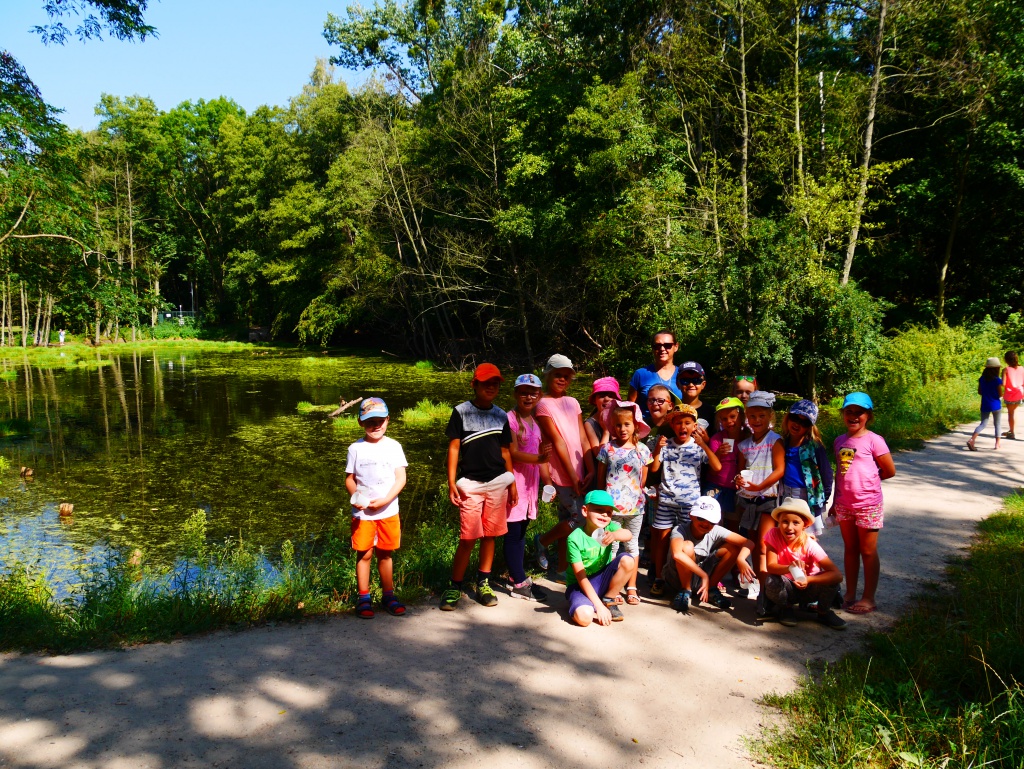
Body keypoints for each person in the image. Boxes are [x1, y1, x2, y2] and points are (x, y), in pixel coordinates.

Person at [440, 363, 518, 611]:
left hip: (497, 482)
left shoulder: (501, 415)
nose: (491, 387)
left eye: (495, 383)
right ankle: (455, 585)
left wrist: (512, 481)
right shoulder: (461, 412)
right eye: (486, 383)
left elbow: (505, 451)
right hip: (470, 484)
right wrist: (451, 482)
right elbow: (454, 448)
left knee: (490, 535)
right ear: (475, 384)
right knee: (468, 537)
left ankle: (483, 582)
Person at [648, 404, 722, 597]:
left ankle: (685, 582)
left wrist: (704, 444)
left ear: (694, 425)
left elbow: (717, 466)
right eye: (678, 422)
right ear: (672, 425)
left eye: (687, 422)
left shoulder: (697, 447)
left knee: (687, 543)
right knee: (662, 541)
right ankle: (658, 577)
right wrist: (657, 449)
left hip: (690, 504)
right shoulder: (666, 444)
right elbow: (654, 469)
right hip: (666, 501)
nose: (683, 426)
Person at [832, 392, 896, 614]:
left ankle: (868, 597)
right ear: (843, 414)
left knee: (867, 551)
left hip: (868, 504)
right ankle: (850, 593)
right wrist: (834, 500)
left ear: (868, 415)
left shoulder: (874, 440)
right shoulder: (839, 441)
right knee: (850, 549)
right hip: (844, 504)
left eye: (859, 412)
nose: (853, 416)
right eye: (849, 411)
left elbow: (889, 470)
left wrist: (867, 483)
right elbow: (840, 473)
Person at [345, 397, 408, 619]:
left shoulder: (394, 446)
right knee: (364, 554)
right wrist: (356, 497)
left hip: (388, 511)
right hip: (363, 514)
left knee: (385, 554)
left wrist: (386, 500)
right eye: (370, 421)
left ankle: (388, 595)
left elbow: (401, 478)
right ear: (361, 422)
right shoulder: (355, 448)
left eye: (380, 420)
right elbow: (350, 479)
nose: (376, 425)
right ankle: (363, 597)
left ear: (388, 420)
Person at [534, 355, 593, 578]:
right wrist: (572, 476)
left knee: (564, 520)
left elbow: (583, 438)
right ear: (548, 375)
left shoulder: (573, 402)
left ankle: (561, 570)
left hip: (579, 470)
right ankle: (542, 540)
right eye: (557, 375)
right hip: (562, 472)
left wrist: (591, 469)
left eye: (566, 376)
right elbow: (558, 442)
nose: (562, 379)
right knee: (580, 518)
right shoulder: (542, 405)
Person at [596, 401, 652, 605]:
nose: (622, 429)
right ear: (613, 426)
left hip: (635, 508)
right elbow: (601, 478)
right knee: (611, 546)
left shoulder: (642, 450)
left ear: (635, 425)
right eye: (618, 425)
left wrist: (633, 496)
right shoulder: (607, 449)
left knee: (632, 546)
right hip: (612, 509)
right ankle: (612, 586)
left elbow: (643, 479)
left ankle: (632, 586)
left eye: (627, 424)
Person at [734, 390, 784, 616]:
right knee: (751, 544)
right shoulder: (743, 445)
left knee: (764, 546)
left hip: (768, 499)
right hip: (749, 500)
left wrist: (760, 486)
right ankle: (757, 587)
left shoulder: (775, 441)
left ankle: (767, 593)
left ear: (770, 416)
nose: (756, 421)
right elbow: (740, 471)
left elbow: (779, 469)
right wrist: (739, 481)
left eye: (761, 416)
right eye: (752, 416)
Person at [762, 497, 846, 629]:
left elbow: (837, 575)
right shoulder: (773, 534)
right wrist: (789, 568)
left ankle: (823, 611)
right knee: (771, 580)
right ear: (778, 521)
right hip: (788, 586)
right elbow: (771, 566)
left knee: (831, 580)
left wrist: (809, 579)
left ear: (805, 525)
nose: (789, 527)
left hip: (810, 588)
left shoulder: (810, 544)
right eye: (785, 521)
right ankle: (785, 608)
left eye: (796, 523)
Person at [663, 496, 755, 613]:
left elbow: (749, 543)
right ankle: (685, 590)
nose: (706, 524)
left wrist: (741, 559)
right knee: (687, 546)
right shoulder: (680, 530)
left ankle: (711, 588)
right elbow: (677, 554)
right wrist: (704, 576)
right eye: (701, 518)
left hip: (702, 575)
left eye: (711, 521)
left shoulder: (716, 530)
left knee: (734, 547)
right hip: (678, 577)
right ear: (691, 515)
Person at [505, 374, 551, 601]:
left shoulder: (535, 422)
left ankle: (517, 575)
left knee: (522, 531)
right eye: (523, 392)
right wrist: (540, 460)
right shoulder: (510, 419)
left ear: (540, 395)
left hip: (530, 487)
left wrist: (548, 483)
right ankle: (519, 582)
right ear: (515, 394)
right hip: (514, 484)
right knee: (513, 533)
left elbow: (541, 457)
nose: (528, 396)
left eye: (533, 392)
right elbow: (511, 453)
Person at [565, 490, 635, 626]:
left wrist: (615, 536)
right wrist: (599, 608)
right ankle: (595, 606)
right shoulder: (574, 538)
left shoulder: (609, 527)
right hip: (579, 586)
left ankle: (608, 599)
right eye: (599, 510)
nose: (604, 514)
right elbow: (581, 577)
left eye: (609, 512)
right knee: (584, 618)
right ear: (585, 511)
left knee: (627, 559)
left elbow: (628, 534)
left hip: (602, 581)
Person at [778, 399, 834, 530]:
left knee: (807, 535)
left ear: (810, 426)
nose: (797, 424)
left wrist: (823, 498)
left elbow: (826, 473)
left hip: (808, 497)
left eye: (804, 422)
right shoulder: (782, 442)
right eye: (794, 418)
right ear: (788, 418)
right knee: (788, 531)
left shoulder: (814, 446)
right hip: (786, 493)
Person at [705, 396, 748, 526]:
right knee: (710, 521)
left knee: (733, 523)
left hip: (734, 489)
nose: (729, 421)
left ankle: (729, 546)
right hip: (715, 486)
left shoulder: (748, 438)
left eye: (732, 417)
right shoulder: (717, 439)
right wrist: (718, 453)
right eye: (724, 419)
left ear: (741, 417)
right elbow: (712, 470)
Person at [628, 330, 682, 420]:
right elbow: (630, 408)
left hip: (674, 429)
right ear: (652, 348)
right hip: (645, 429)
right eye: (657, 346)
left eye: (667, 345)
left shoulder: (683, 375)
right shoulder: (640, 374)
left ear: (676, 347)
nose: (662, 349)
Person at [583, 377, 621, 484]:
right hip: (600, 474)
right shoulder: (589, 424)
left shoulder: (621, 418)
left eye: (610, 395)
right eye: (602, 396)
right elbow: (599, 455)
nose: (607, 399)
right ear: (595, 400)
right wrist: (606, 431)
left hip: (618, 473)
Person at [967, 357, 1004, 451]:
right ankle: (997, 444)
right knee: (997, 424)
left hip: (985, 404)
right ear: (997, 368)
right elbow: (1000, 394)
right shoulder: (997, 380)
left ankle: (972, 439)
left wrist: (987, 393)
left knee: (983, 423)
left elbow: (980, 391)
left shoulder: (982, 379)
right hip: (995, 404)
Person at [676, 361, 715, 436]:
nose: (691, 384)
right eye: (685, 380)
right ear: (678, 384)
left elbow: (716, 442)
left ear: (703, 385)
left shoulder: (711, 412)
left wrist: (707, 440)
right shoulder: (673, 410)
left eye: (696, 380)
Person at [1003, 351, 1023, 440]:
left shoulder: (1005, 370)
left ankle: (1012, 432)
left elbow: (1003, 383)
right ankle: (1011, 431)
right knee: (1014, 412)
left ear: (1006, 360)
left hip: (1009, 395)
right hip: (1019, 394)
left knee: (1010, 413)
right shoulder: (1022, 368)